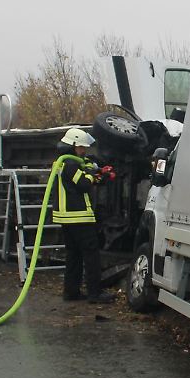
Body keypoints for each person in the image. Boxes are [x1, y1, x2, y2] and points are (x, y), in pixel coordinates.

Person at [53, 129, 112, 303]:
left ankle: (71, 292)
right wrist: (93, 174)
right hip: (78, 217)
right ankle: (95, 293)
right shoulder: (70, 164)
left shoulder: (62, 162)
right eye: (80, 148)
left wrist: (100, 175)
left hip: (67, 218)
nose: (84, 151)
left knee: (74, 256)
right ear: (72, 146)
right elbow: (85, 184)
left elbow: (87, 180)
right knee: (91, 255)